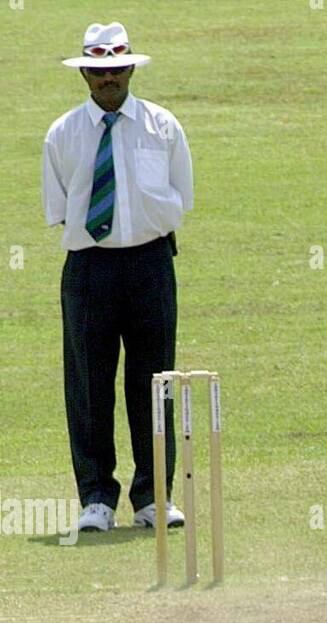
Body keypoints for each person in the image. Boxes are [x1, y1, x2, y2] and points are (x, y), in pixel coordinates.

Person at [42, 21, 194, 534]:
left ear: (131, 68)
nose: (110, 78)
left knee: (154, 383)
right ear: (85, 72)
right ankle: (96, 498)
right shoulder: (62, 133)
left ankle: (153, 496)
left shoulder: (162, 126)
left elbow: (181, 197)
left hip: (151, 263)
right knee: (88, 382)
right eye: (100, 70)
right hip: (89, 267)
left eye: (118, 67)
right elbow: (61, 209)